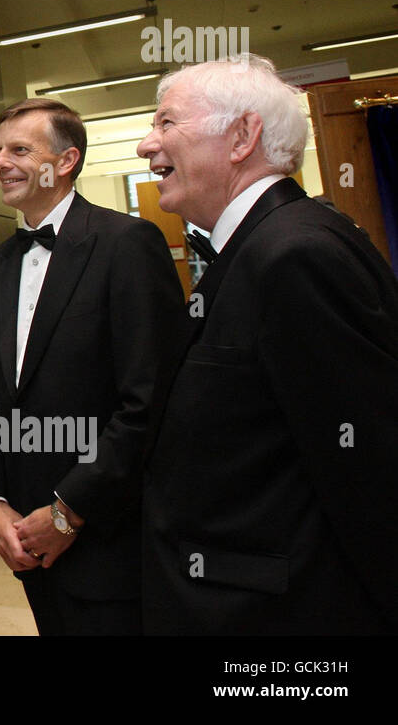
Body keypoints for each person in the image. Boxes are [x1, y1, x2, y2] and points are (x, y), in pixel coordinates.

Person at [137, 55, 398, 634]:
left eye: (166, 124)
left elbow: (369, 473)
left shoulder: (294, 255)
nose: (145, 145)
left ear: (241, 136)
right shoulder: (263, 245)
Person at [0, 98, 185, 635]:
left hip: (110, 535)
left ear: (65, 162)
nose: (0, 162)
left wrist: (68, 511)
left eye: (20, 149)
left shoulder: (127, 244)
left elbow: (149, 400)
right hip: (26, 538)